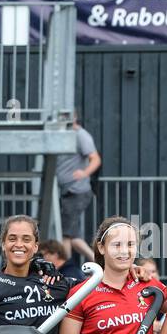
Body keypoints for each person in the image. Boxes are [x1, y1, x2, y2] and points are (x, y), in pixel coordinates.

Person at [58, 112, 100, 264]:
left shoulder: (81, 135)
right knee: (74, 237)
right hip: (67, 191)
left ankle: (66, 268)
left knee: (65, 235)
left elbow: (95, 159)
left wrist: (84, 173)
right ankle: (99, 262)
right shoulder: (62, 135)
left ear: (74, 117)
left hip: (77, 191)